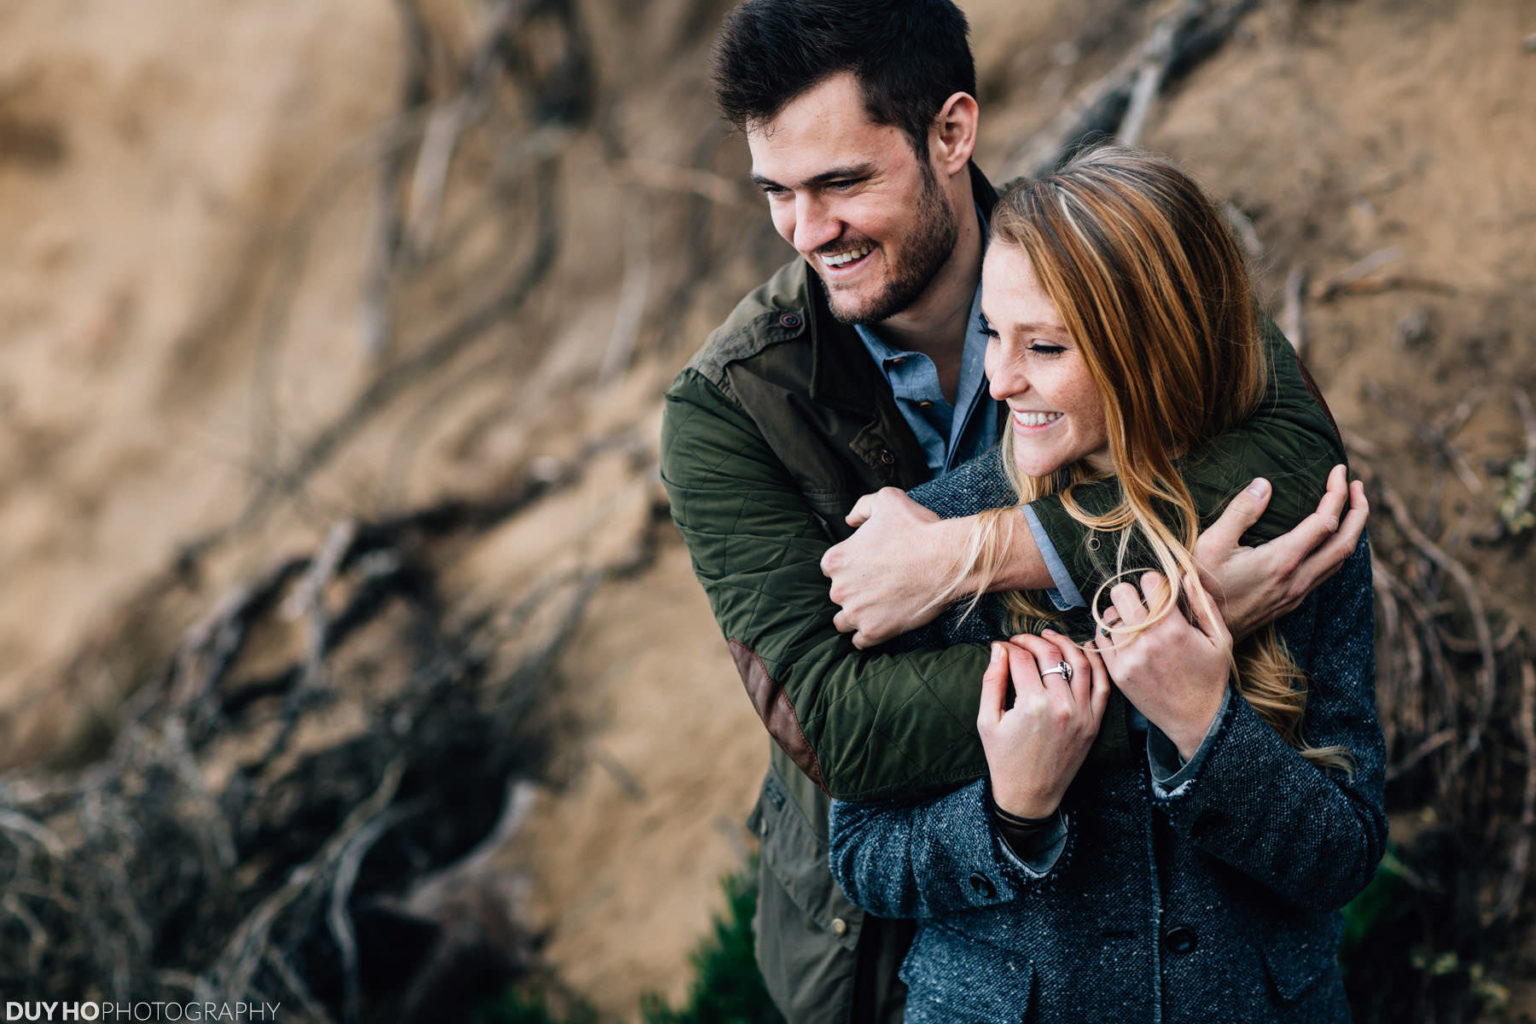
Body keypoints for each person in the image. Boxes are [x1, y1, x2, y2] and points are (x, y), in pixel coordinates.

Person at [659, 1, 1368, 1020]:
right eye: (778, 192)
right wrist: (1174, 632)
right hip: (892, 945)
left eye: (844, 182)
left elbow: (1299, 462)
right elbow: (839, 728)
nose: (808, 232)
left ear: (952, 131)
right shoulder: (724, 410)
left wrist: (980, 552)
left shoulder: (1119, 264)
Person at [828, 147, 1385, 1023]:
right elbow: (862, 856)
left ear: (1154, 353)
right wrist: (1013, 813)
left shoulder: (1291, 532)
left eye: (1044, 347)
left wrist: (1208, 730)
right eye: (992, 336)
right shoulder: (930, 545)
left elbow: (1345, 855)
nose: (1002, 382)